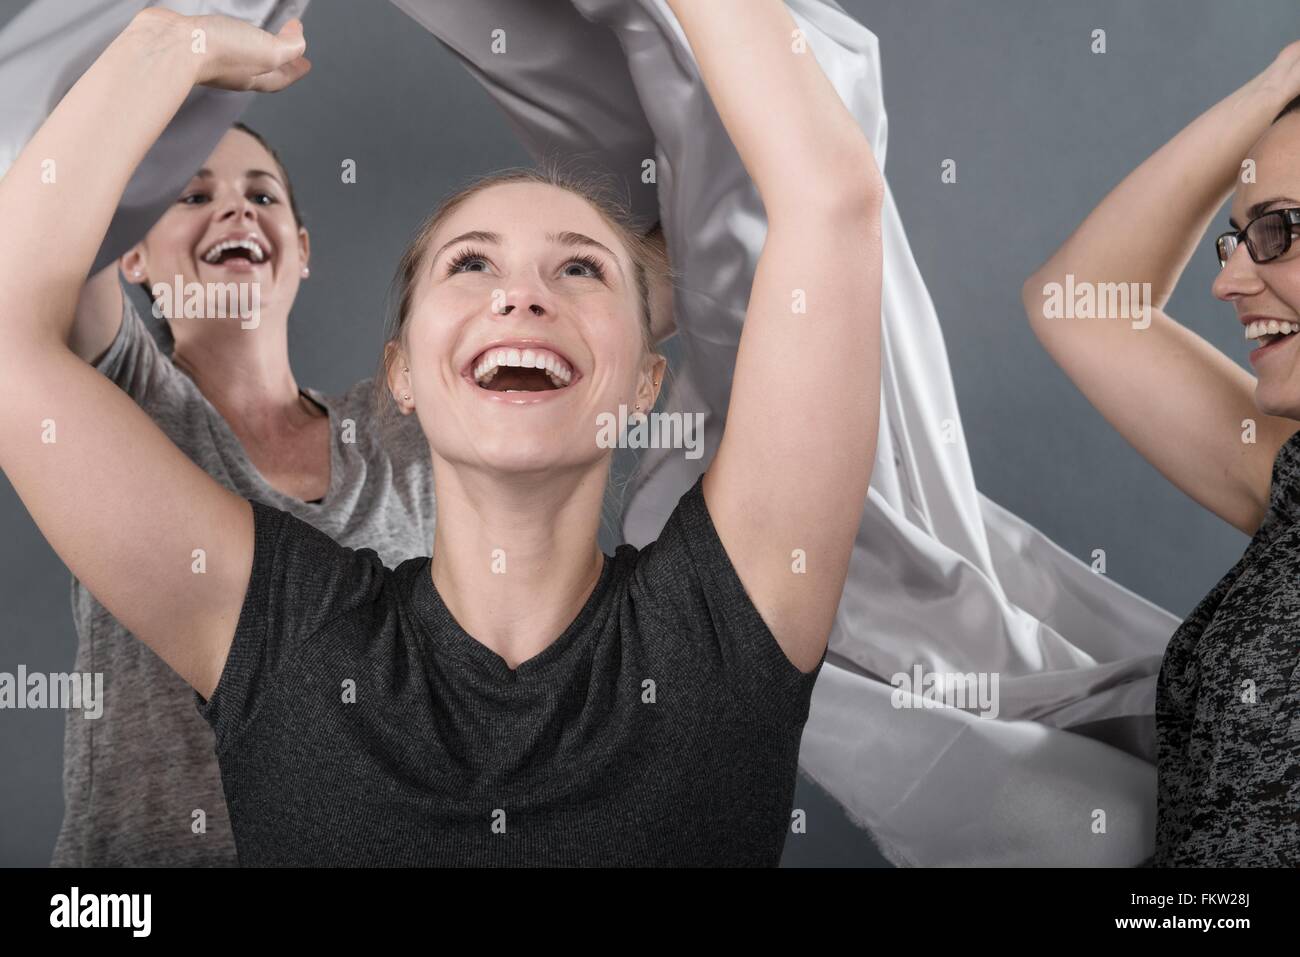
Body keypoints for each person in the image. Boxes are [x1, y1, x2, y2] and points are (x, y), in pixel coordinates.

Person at [0, 0, 883, 869]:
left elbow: (829, 197)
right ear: (404, 375)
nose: (522, 294)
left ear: (646, 374)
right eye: (471, 264)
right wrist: (164, 38)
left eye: (580, 267)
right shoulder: (283, 633)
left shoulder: (727, 622)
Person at [1024, 43, 1300, 865]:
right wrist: (1281, 78)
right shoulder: (1287, 470)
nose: (1229, 282)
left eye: (1279, 231)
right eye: (1236, 239)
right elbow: (1080, 305)